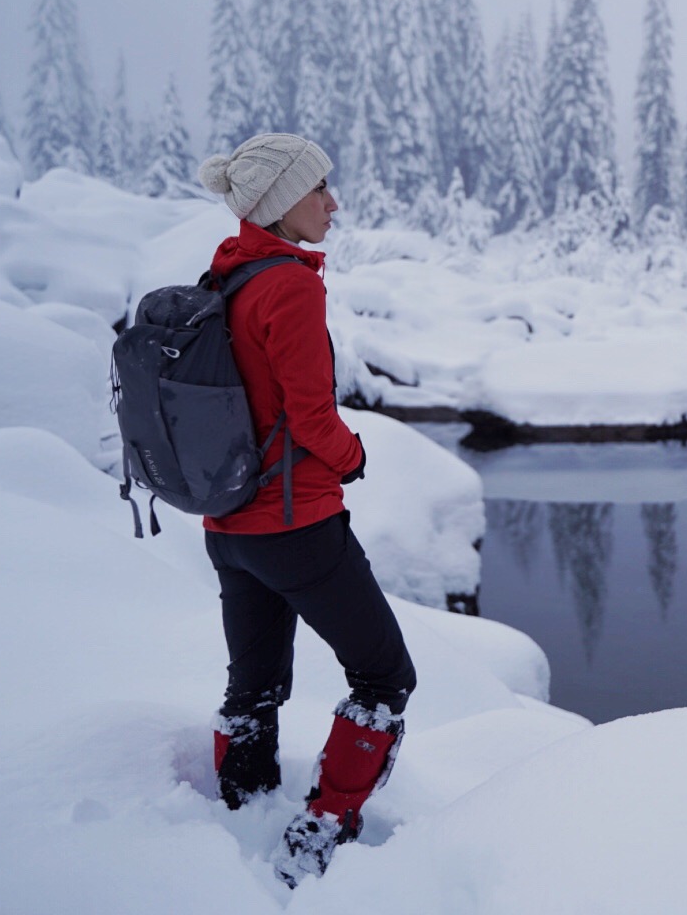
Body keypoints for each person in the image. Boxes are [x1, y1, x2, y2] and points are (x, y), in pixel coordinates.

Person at [197, 133, 416, 887]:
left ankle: (239, 813)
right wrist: (354, 457)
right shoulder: (289, 285)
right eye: (319, 188)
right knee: (384, 678)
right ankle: (319, 833)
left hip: (228, 528)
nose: (333, 203)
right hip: (295, 526)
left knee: (252, 683)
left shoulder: (227, 275)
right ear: (280, 201)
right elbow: (311, 418)